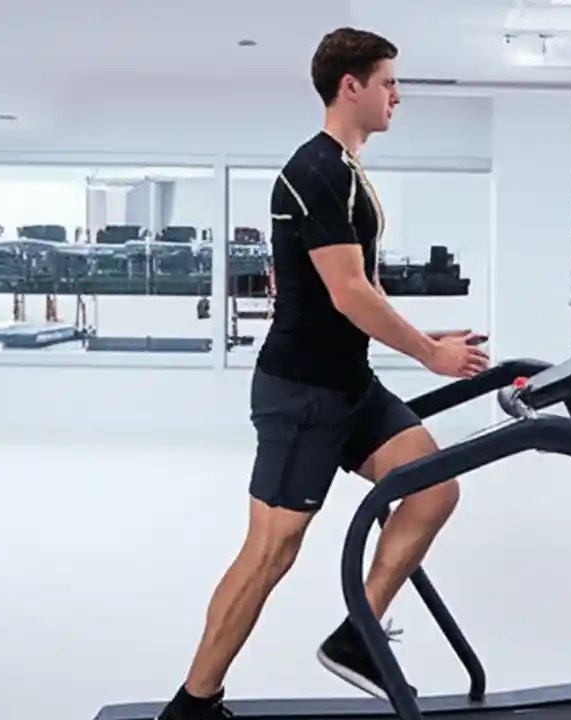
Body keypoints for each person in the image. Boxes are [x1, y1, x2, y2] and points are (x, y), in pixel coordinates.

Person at [157, 27, 490, 720]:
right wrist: (430, 356)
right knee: (271, 552)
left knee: (432, 490)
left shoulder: (345, 167)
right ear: (352, 86)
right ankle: (193, 703)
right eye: (389, 82)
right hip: (302, 392)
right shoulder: (317, 171)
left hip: (349, 384)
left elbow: (354, 288)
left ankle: (356, 637)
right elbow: (347, 292)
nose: (397, 94)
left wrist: (423, 337)